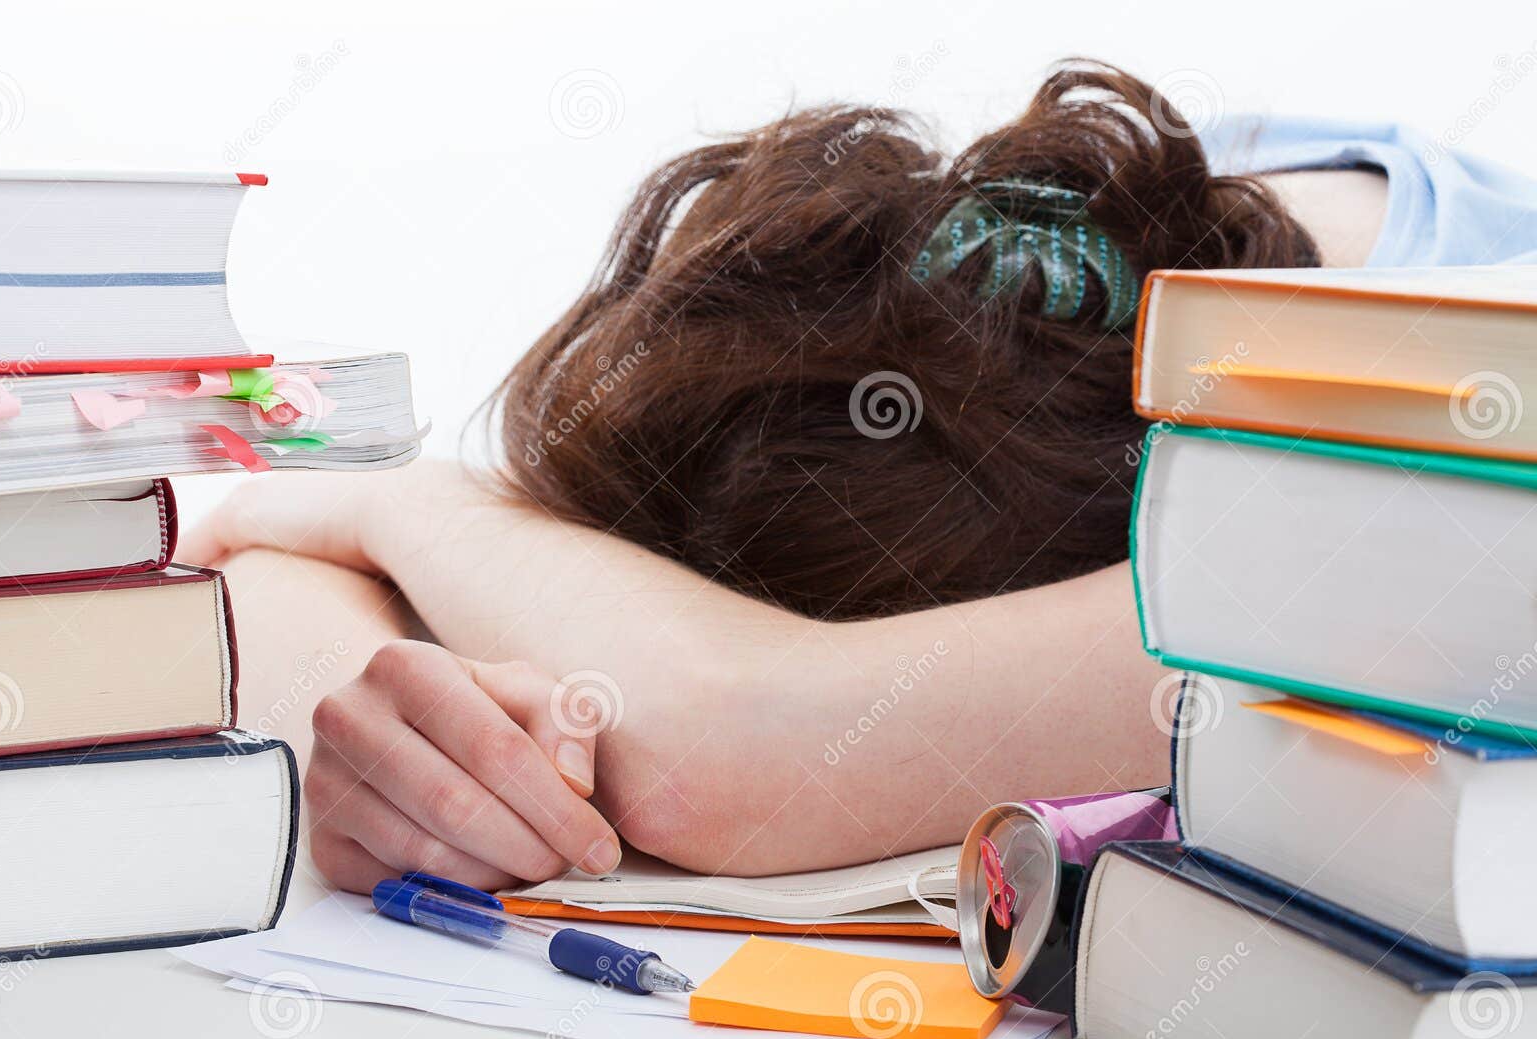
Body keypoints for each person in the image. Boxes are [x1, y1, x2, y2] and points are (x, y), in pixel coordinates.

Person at [182, 61, 1537, 897]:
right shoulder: (1112, 244)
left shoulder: (1444, 500)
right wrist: (395, 717)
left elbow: (746, 742)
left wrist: (398, 501)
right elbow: (254, 573)